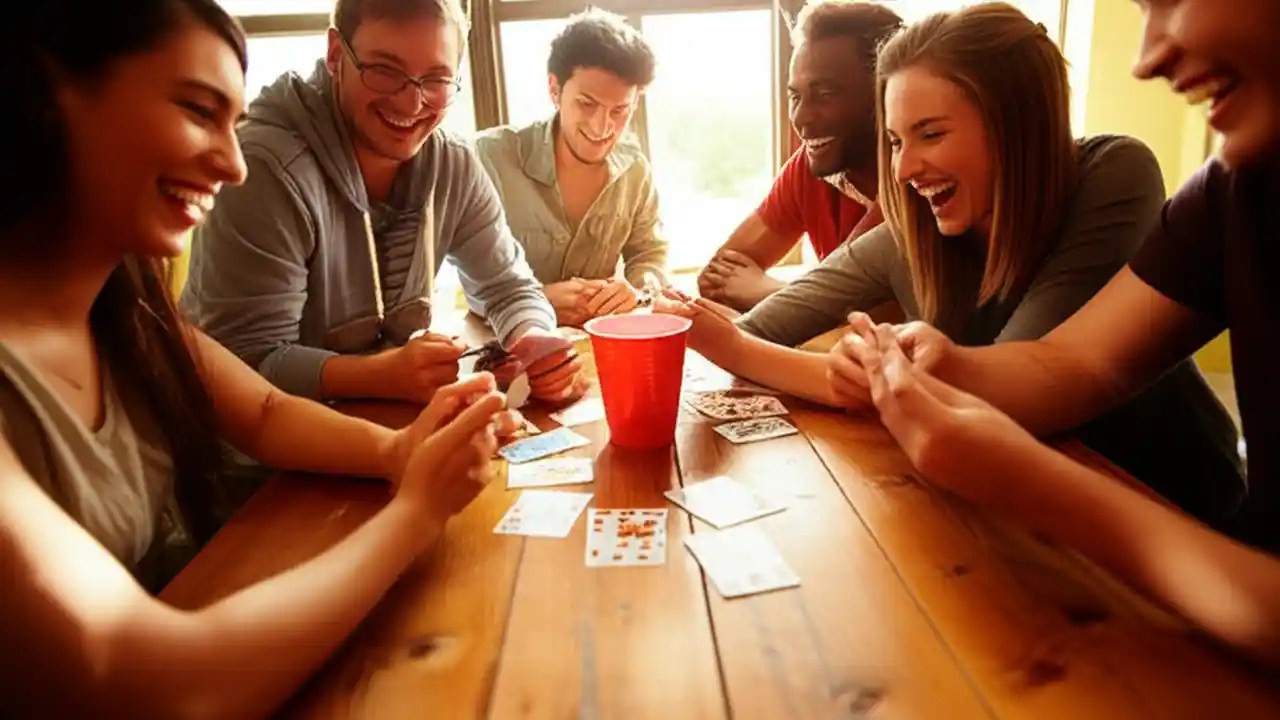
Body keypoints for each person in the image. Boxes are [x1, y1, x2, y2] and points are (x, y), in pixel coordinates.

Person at [0, 2, 519, 715]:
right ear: (46, 92)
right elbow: (145, 682)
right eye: (196, 110)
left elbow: (267, 411)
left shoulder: (127, 311)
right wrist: (416, 514)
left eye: (231, 120)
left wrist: (404, 452)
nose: (234, 162)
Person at [662, 3, 1244, 527]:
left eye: (931, 134)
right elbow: (759, 332)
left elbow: (1014, 392)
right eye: (894, 141)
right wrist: (712, 334)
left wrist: (746, 349)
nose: (904, 169)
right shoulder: (909, 236)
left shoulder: (1110, 173)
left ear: (1014, 124)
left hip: (1177, 507)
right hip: (1027, 515)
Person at [830, 0, 1280, 667]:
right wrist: (949, 365)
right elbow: (1076, 363)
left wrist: (1026, 477)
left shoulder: (1117, 173)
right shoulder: (1231, 193)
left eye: (1170, 2)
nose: (1146, 55)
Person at [180, 0, 586, 405]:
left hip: (376, 429)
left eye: (436, 80)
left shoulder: (452, 163)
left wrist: (532, 338)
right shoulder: (264, 170)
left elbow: (507, 287)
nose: (411, 104)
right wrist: (382, 374)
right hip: (250, 461)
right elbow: (242, 362)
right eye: (385, 71)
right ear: (337, 54)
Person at [695, 0, 901, 312]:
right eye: (795, 96)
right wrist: (805, 299)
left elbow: (887, 320)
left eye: (825, 94)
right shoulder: (812, 164)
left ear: (887, 94)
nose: (801, 118)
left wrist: (772, 292)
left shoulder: (919, 182)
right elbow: (717, 280)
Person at [476, 8, 666, 328]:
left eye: (620, 110)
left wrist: (637, 291)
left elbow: (650, 254)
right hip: (505, 343)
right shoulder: (491, 157)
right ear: (555, 89)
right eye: (586, 104)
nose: (602, 126)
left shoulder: (635, 170)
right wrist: (532, 299)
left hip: (596, 348)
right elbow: (472, 275)